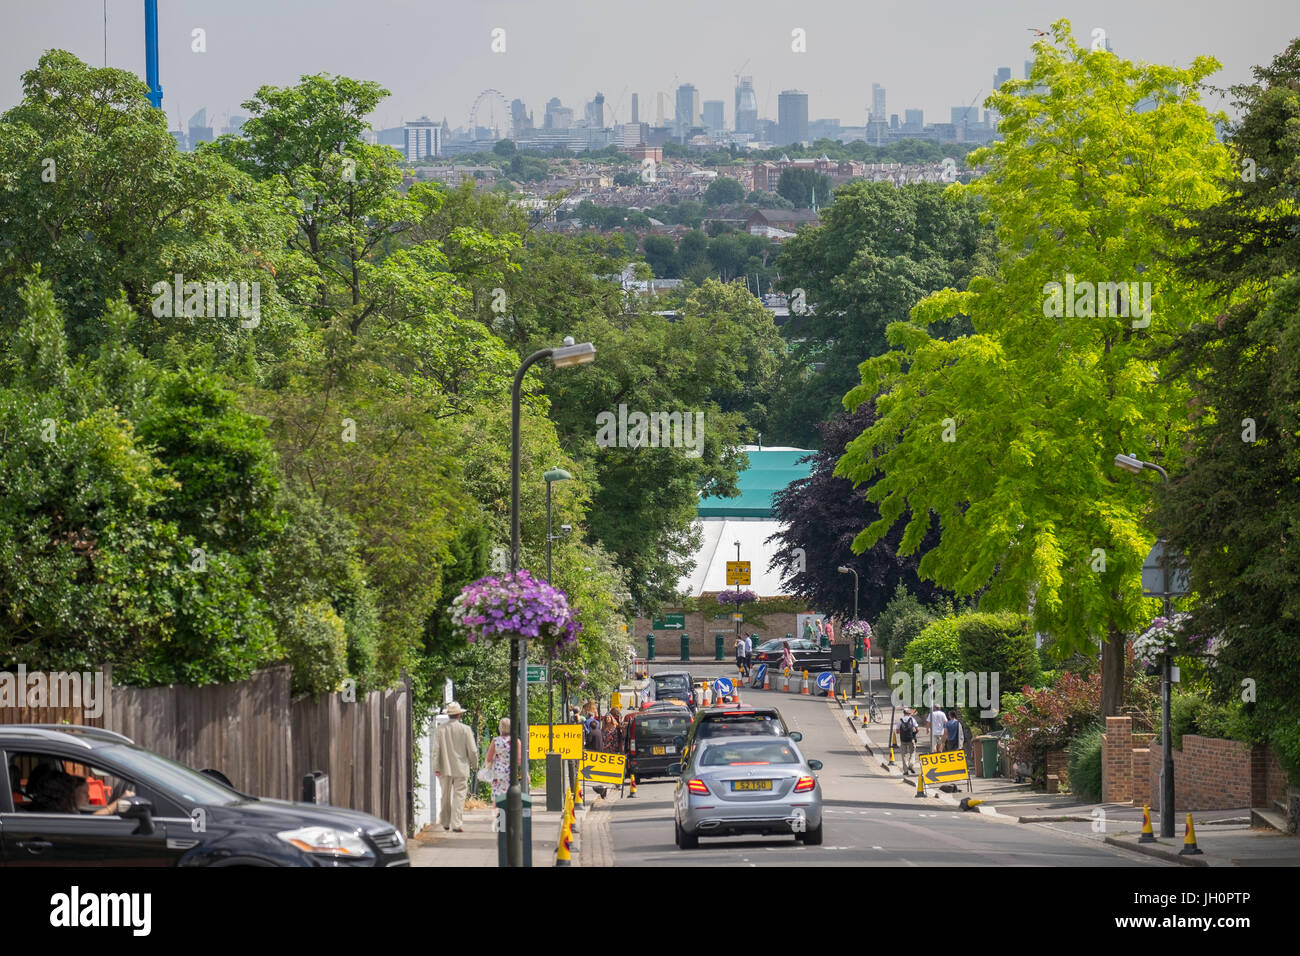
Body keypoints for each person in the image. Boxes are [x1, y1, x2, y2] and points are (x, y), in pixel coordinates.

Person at [432, 701, 478, 832]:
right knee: (459, 796)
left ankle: (445, 822)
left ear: (449, 715)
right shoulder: (466, 730)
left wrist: (436, 767)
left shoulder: (440, 730)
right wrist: (475, 764)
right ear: (459, 715)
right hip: (461, 767)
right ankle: (456, 823)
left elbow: (436, 750)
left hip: (444, 767)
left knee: (445, 795)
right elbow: (473, 750)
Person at [484, 717, 517, 805]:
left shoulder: (496, 741)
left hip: (498, 773)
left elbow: (489, 758)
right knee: (511, 795)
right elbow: (520, 760)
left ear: (500, 728)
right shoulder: (516, 741)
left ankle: (498, 816)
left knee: (497, 798)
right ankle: (509, 815)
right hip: (511, 772)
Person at [896, 708, 920, 774]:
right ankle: (911, 764)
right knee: (912, 752)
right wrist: (914, 734)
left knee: (903, 755)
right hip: (911, 739)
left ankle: (905, 770)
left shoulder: (900, 720)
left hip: (903, 739)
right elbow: (918, 729)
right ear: (909, 713)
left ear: (903, 713)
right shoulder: (912, 719)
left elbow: (897, 731)